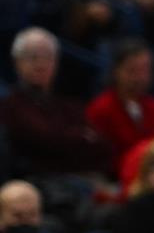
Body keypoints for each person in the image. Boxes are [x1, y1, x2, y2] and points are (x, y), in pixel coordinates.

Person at [2, 28, 113, 178]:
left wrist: (62, 139)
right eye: (33, 57)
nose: (41, 65)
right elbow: (43, 140)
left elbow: (102, 145)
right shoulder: (10, 106)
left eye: (48, 57)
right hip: (37, 184)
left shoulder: (69, 105)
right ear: (17, 62)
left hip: (78, 181)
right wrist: (80, 137)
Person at [85, 42, 154, 167]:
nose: (140, 77)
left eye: (145, 70)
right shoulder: (101, 109)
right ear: (116, 71)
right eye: (132, 70)